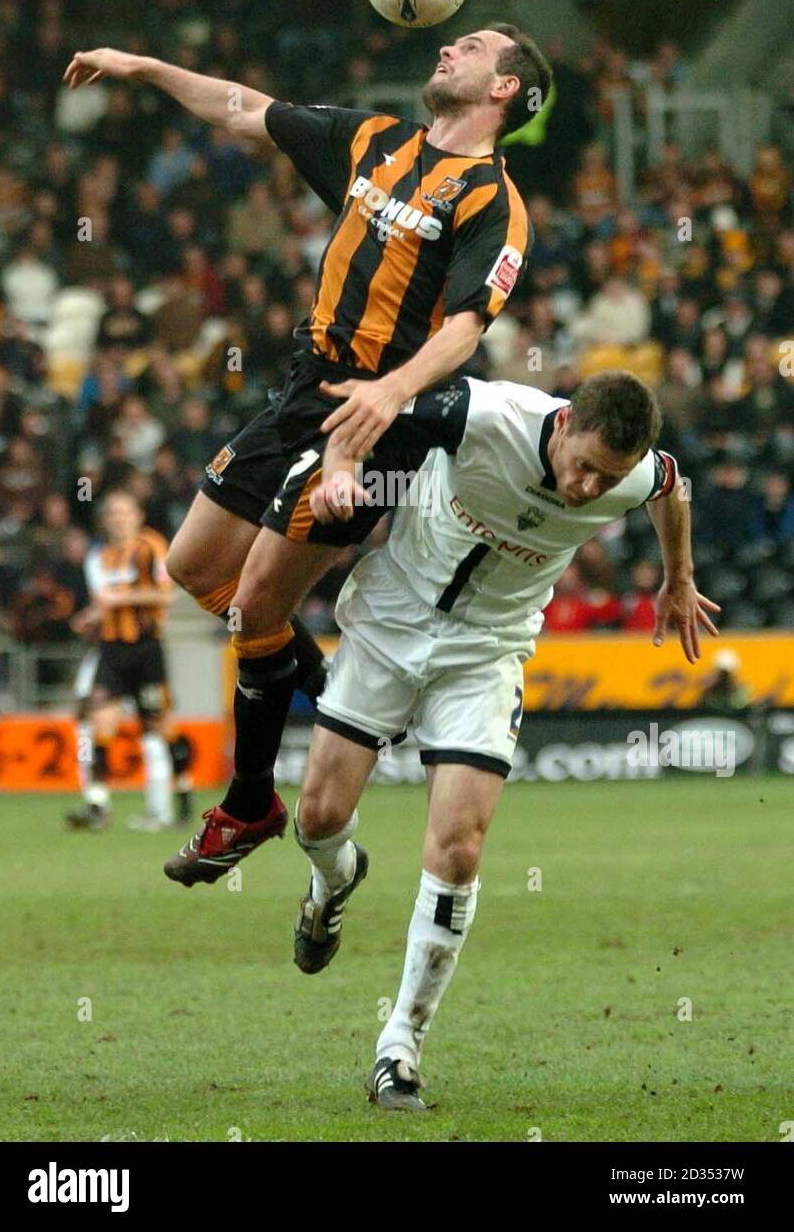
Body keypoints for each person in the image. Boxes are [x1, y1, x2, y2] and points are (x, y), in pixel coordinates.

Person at [63, 27, 551, 883]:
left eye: (470, 47)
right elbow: (242, 109)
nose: (447, 49)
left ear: (505, 89)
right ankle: (343, 701)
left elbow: (471, 325)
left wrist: (391, 393)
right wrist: (144, 67)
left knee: (254, 607)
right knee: (194, 568)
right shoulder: (375, 142)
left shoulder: (493, 201)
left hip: (377, 422)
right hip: (305, 387)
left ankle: (249, 802)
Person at [289, 370, 719, 1109]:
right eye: (583, 465)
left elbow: (671, 486)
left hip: (487, 652)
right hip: (392, 620)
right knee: (319, 818)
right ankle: (334, 880)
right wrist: (342, 471)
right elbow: (375, 407)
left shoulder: (634, 474)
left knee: (459, 846)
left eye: (607, 478)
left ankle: (401, 1044)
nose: (588, 488)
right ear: (561, 427)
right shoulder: (482, 413)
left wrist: (678, 576)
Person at [64, 490, 185, 831]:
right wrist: (90, 616)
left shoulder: (151, 547)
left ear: (138, 515)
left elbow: (165, 594)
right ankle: (98, 806)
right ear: (105, 520)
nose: (119, 518)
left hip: (146, 650)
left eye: (124, 512)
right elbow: (105, 602)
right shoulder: (99, 556)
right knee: (98, 724)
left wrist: (117, 599)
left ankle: (181, 800)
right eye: (113, 513)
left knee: (158, 728)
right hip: (112, 651)